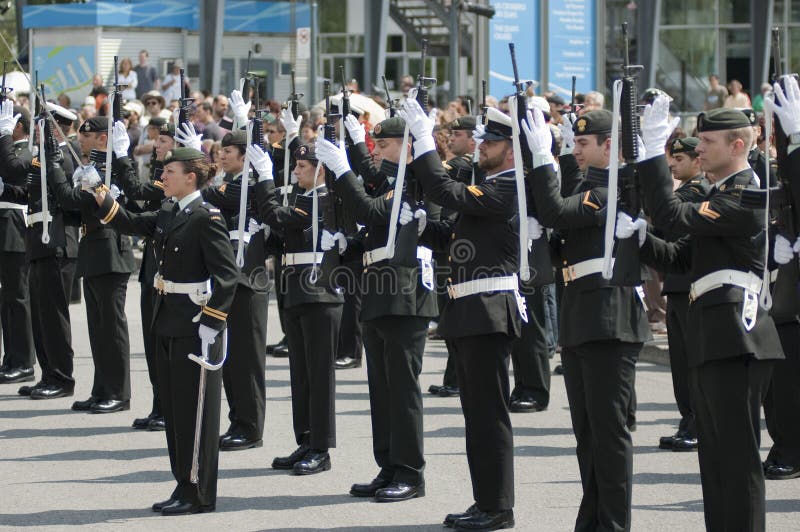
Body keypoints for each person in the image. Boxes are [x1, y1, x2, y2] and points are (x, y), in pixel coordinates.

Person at [635, 97, 783, 531]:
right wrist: (640, 237)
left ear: (738, 145)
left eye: (707, 141)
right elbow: (680, 258)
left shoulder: (747, 192)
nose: (699, 148)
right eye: (698, 139)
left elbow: (671, 214)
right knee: (714, 458)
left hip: (737, 331)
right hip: (711, 330)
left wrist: (651, 149)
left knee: (735, 460)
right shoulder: (718, 192)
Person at [523, 108, 651, 532]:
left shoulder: (614, 187)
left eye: (582, 143)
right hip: (583, 314)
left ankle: (613, 523)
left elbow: (560, 211)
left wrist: (544, 159)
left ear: (609, 145)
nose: (574, 149)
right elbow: (562, 227)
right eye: (572, 143)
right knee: (588, 434)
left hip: (609, 319)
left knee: (609, 434)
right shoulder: (590, 185)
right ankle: (593, 519)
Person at [92, 147, 238, 515]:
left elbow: (227, 277)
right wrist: (98, 193)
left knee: (195, 412)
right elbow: (130, 222)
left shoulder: (206, 216)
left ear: (190, 176)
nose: (163, 177)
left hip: (193, 325)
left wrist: (211, 321)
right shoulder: (173, 211)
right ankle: (183, 483)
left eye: (169, 171)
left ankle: (199, 492)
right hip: (167, 318)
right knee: (175, 410)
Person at [398, 99, 520, 530]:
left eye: (491, 140)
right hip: (469, 310)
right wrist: (419, 225)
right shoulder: (490, 187)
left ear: (511, 148)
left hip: (489, 311)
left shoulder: (508, 186)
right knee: (476, 417)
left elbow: (444, 191)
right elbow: (450, 234)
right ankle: (485, 500)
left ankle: (498, 507)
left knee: (489, 417)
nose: (482, 145)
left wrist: (425, 140)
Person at [315, 114, 438, 503]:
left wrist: (342, 168)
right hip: (378, 293)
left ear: (408, 144)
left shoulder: (419, 182)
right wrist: (346, 248)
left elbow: (374, 212)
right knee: (381, 390)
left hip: (405, 296)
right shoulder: (392, 184)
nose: (377, 151)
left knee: (402, 390)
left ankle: (410, 471)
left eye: (384, 145)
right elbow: (372, 231)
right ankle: (388, 465)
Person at [251, 142, 343, 474]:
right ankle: (305, 439)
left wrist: (264, 179)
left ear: (320, 169)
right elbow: (281, 232)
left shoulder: (325, 200)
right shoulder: (304, 199)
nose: (295, 171)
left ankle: (321, 448)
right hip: (296, 291)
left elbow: (279, 216)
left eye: (302, 166)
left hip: (319, 294)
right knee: (300, 375)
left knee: (319, 376)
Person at [47, 116, 137, 414]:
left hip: (110, 250)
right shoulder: (93, 168)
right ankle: (102, 389)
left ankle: (118, 393)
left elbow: (75, 201)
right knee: (98, 329)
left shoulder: (110, 169)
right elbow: (75, 211)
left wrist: (56, 169)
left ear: (102, 138)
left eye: (87, 135)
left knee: (112, 328)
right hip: (94, 250)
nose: (80, 139)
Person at [200, 108, 271, 451]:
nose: (222, 155)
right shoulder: (233, 186)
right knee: (232, 359)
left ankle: (250, 426)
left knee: (247, 359)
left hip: (250, 281)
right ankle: (239, 421)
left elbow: (218, 198)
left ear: (245, 157)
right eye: (221, 151)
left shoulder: (250, 188)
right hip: (232, 278)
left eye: (228, 152)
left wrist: (196, 177)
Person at [2, 102, 81, 400]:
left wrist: (4, 136)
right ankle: (49, 374)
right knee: (41, 316)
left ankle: (62, 377)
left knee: (54, 316)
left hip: (58, 242)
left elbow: (14, 169)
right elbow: (28, 191)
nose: (37, 128)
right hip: (39, 241)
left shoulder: (64, 155)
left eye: (41, 123)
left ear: (54, 125)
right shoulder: (46, 156)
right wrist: (6, 191)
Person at [657, 137, 709, 452]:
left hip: (691, 285)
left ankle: (696, 424)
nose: (673, 164)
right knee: (680, 362)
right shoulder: (685, 191)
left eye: (680, 159)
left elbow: (668, 221)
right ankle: (688, 421)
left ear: (697, 161)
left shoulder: (697, 191)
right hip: (679, 284)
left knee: (692, 362)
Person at [0, 103, 36, 385]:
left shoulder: (26, 150)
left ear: (18, 126)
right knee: (7, 298)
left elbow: (12, 173)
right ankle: (11, 357)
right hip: (5, 225)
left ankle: (23, 360)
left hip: (15, 225)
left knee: (17, 297)